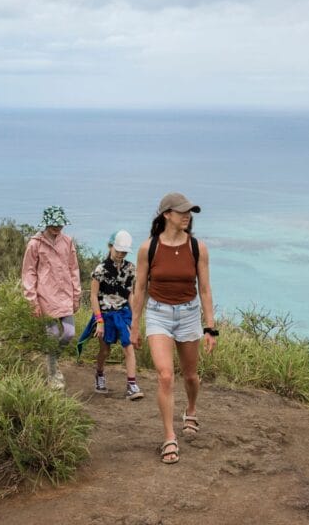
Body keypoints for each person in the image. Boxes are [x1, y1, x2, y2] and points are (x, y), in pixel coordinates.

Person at [131, 193, 218, 464]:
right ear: (166, 214)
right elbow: (140, 288)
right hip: (158, 314)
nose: (187, 216)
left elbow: (204, 288)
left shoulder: (197, 248)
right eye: (182, 211)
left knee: (191, 376)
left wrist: (210, 327)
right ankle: (169, 437)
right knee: (165, 375)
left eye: (189, 212)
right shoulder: (149, 248)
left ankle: (190, 410)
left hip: (189, 314)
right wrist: (134, 325)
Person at [76, 230, 144, 400]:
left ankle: (131, 384)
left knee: (128, 346)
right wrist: (99, 320)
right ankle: (99, 374)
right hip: (105, 314)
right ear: (110, 246)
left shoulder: (130, 269)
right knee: (105, 350)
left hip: (123, 312)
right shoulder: (100, 269)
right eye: (118, 250)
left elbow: (130, 293)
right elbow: (93, 295)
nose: (121, 254)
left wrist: (135, 317)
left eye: (124, 251)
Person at [21, 205, 82, 390]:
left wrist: (76, 294)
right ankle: (53, 372)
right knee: (53, 335)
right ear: (47, 223)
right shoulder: (35, 244)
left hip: (65, 295)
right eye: (54, 223)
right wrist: (32, 301)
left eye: (60, 223)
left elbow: (74, 268)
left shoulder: (68, 241)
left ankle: (52, 360)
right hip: (44, 296)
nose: (58, 227)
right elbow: (28, 273)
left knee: (69, 333)